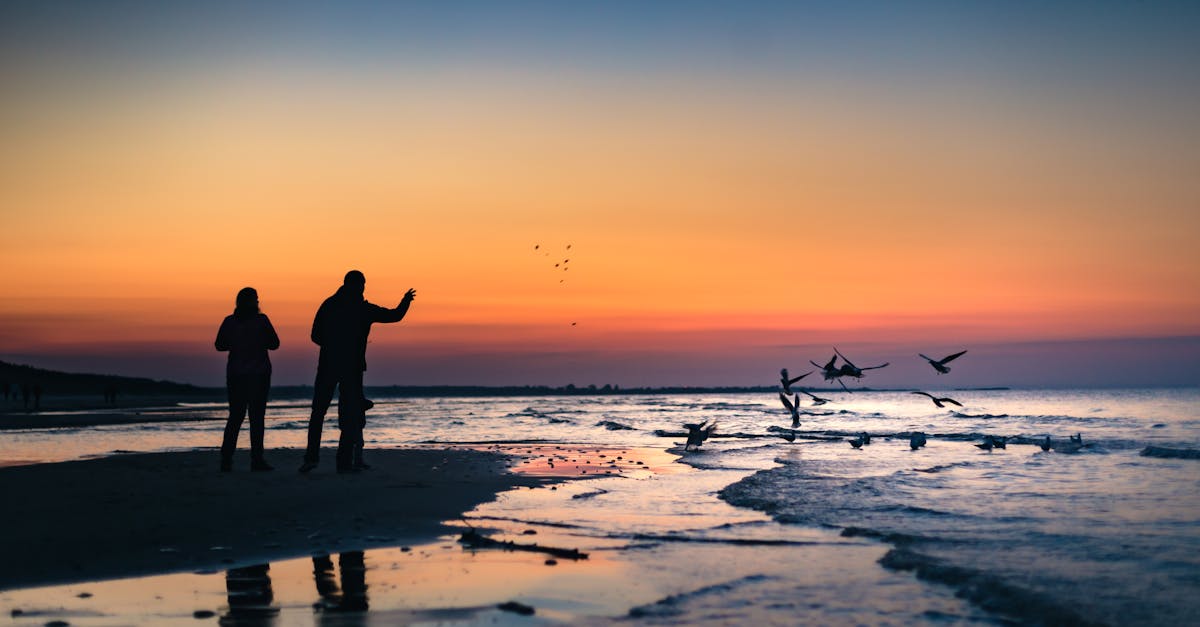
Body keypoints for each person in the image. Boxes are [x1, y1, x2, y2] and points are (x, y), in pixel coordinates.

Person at [300, 270, 415, 473]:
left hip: (333, 364)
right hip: (348, 367)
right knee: (344, 414)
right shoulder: (359, 308)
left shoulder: (332, 304)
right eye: (361, 285)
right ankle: (337, 462)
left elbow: (315, 335)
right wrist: (406, 301)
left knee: (324, 413)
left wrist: (331, 345)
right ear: (357, 285)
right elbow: (394, 315)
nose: (362, 288)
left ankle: (315, 459)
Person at [215, 287, 280, 472]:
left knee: (236, 417)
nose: (259, 302)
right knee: (256, 418)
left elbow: (220, 345)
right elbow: (275, 344)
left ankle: (227, 460)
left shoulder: (230, 321)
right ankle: (256, 460)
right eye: (256, 299)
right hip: (258, 374)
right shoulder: (261, 320)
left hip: (237, 374)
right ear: (251, 302)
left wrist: (236, 343)